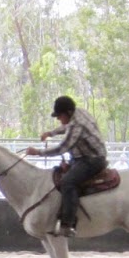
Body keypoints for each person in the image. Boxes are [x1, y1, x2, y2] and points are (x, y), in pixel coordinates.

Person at [25, 95, 107, 237]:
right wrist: (51, 133)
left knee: (68, 182)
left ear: (68, 113)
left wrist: (38, 152)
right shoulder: (78, 113)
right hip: (83, 157)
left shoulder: (77, 125)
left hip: (92, 160)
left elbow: (62, 148)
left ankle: (67, 224)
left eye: (60, 116)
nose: (58, 119)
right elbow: (65, 126)